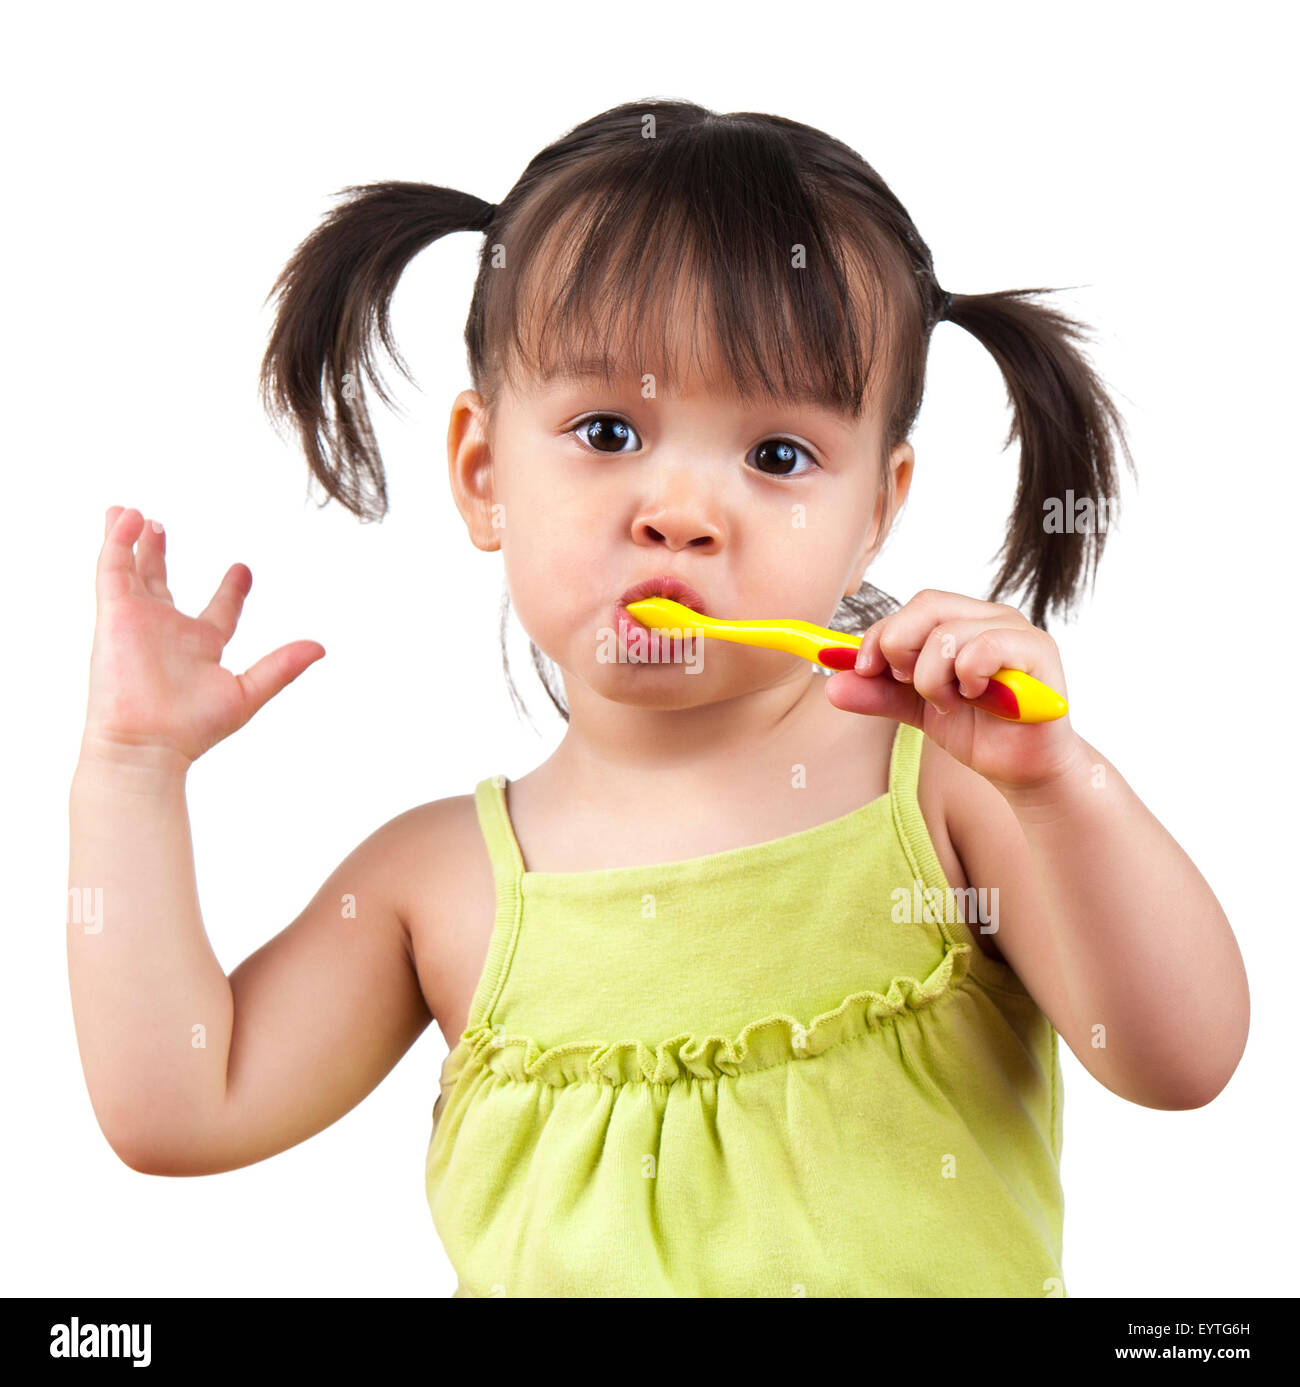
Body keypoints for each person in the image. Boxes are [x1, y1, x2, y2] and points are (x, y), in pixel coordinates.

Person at [68, 98, 1249, 1297]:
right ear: (484, 475)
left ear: (873, 514)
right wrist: (129, 769)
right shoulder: (438, 886)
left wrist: (1064, 790)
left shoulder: (948, 796)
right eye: (606, 428)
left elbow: (1180, 1059)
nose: (680, 509)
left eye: (776, 456)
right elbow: (180, 1107)